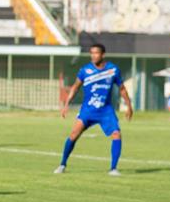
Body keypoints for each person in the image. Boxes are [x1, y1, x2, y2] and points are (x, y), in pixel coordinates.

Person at [54, 43, 133, 176]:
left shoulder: (113, 70)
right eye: (91, 53)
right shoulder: (85, 70)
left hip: (105, 111)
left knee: (117, 134)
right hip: (88, 110)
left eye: (96, 53)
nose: (93, 56)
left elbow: (122, 89)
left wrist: (129, 106)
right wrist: (66, 103)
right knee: (74, 135)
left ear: (102, 54)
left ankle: (113, 168)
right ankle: (62, 164)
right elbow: (75, 87)